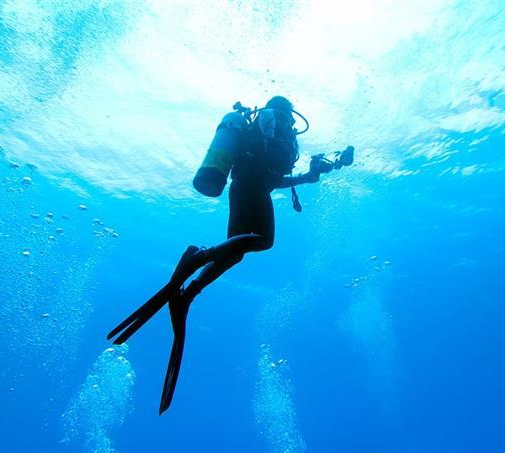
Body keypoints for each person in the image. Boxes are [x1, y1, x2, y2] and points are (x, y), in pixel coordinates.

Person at [106, 96, 353, 414]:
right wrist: (300, 172)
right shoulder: (274, 128)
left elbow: (270, 176)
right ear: (285, 112)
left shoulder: (263, 133)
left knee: (235, 252)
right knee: (263, 241)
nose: (293, 123)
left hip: (244, 186)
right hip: (252, 188)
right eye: (290, 117)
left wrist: (306, 177)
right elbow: (268, 175)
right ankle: (197, 260)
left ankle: (188, 293)